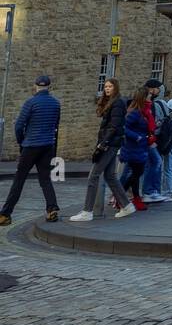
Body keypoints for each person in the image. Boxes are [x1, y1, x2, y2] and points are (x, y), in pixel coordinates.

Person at [0, 76, 61, 226]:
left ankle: (5, 214)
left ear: (35, 86)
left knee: (19, 180)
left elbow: (19, 126)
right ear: (49, 87)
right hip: (47, 146)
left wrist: (21, 141)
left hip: (31, 146)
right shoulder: (56, 103)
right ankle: (52, 209)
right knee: (45, 179)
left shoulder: (31, 102)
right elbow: (56, 127)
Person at [69, 79, 134, 221]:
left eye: (110, 86)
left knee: (93, 176)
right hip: (111, 143)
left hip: (110, 144)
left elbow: (114, 126)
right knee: (110, 176)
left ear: (115, 88)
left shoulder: (117, 103)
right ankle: (126, 205)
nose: (107, 89)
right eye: (105, 87)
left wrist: (103, 143)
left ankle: (87, 211)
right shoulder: (112, 102)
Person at [119, 89, 154, 212]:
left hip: (140, 147)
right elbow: (124, 127)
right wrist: (138, 137)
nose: (151, 97)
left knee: (136, 174)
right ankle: (123, 198)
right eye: (149, 95)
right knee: (136, 174)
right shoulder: (135, 113)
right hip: (133, 148)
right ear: (143, 98)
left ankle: (129, 198)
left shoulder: (144, 112)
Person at [141, 78, 170, 203]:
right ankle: (150, 192)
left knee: (154, 164)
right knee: (155, 163)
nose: (160, 90)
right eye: (158, 88)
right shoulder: (152, 103)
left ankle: (153, 191)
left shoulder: (152, 103)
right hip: (150, 138)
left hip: (151, 138)